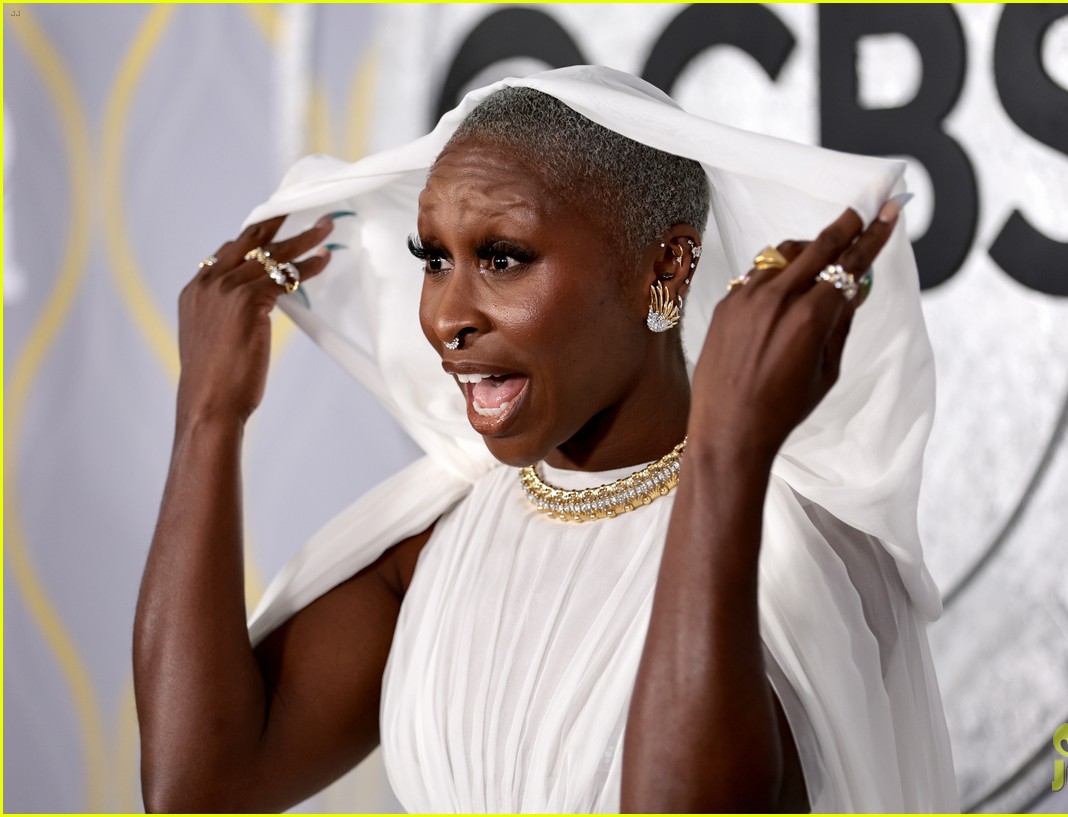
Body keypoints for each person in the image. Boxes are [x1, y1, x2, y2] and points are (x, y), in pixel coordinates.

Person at [133, 66, 958, 812]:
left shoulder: (798, 549)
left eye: (502, 257)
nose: (447, 317)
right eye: (433, 258)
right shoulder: (435, 537)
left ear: (666, 268)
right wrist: (208, 414)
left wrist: (726, 452)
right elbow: (199, 788)